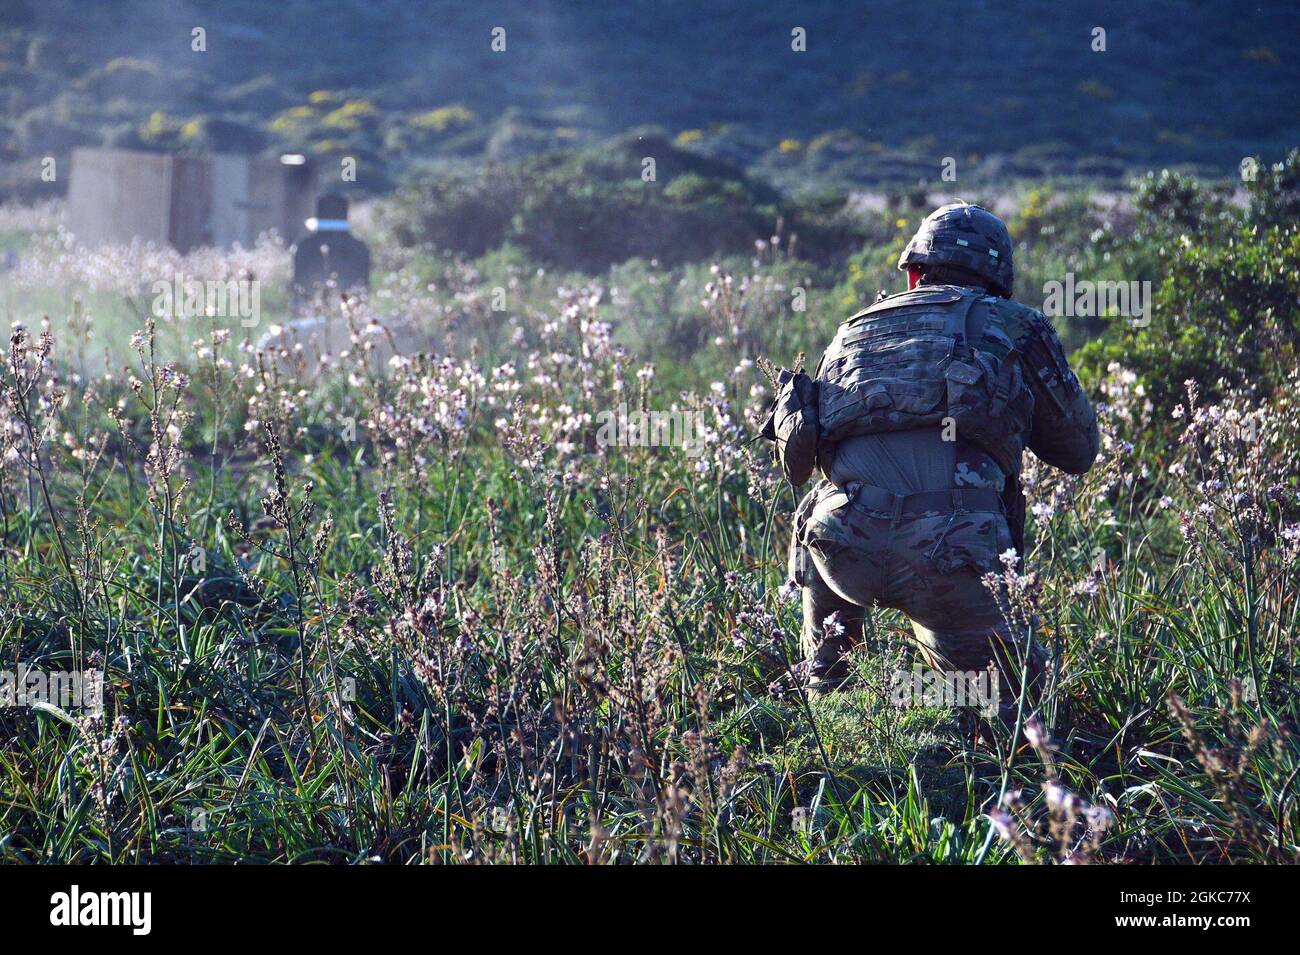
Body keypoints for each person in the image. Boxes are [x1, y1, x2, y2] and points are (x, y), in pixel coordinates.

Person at [764, 202, 1098, 716]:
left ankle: (827, 702)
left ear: (914, 273)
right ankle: (971, 760)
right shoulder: (1017, 325)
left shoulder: (853, 328)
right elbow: (1077, 451)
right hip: (952, 553)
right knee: (1022, 720)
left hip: (840, 549)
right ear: (997, 282)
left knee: (820, 509)